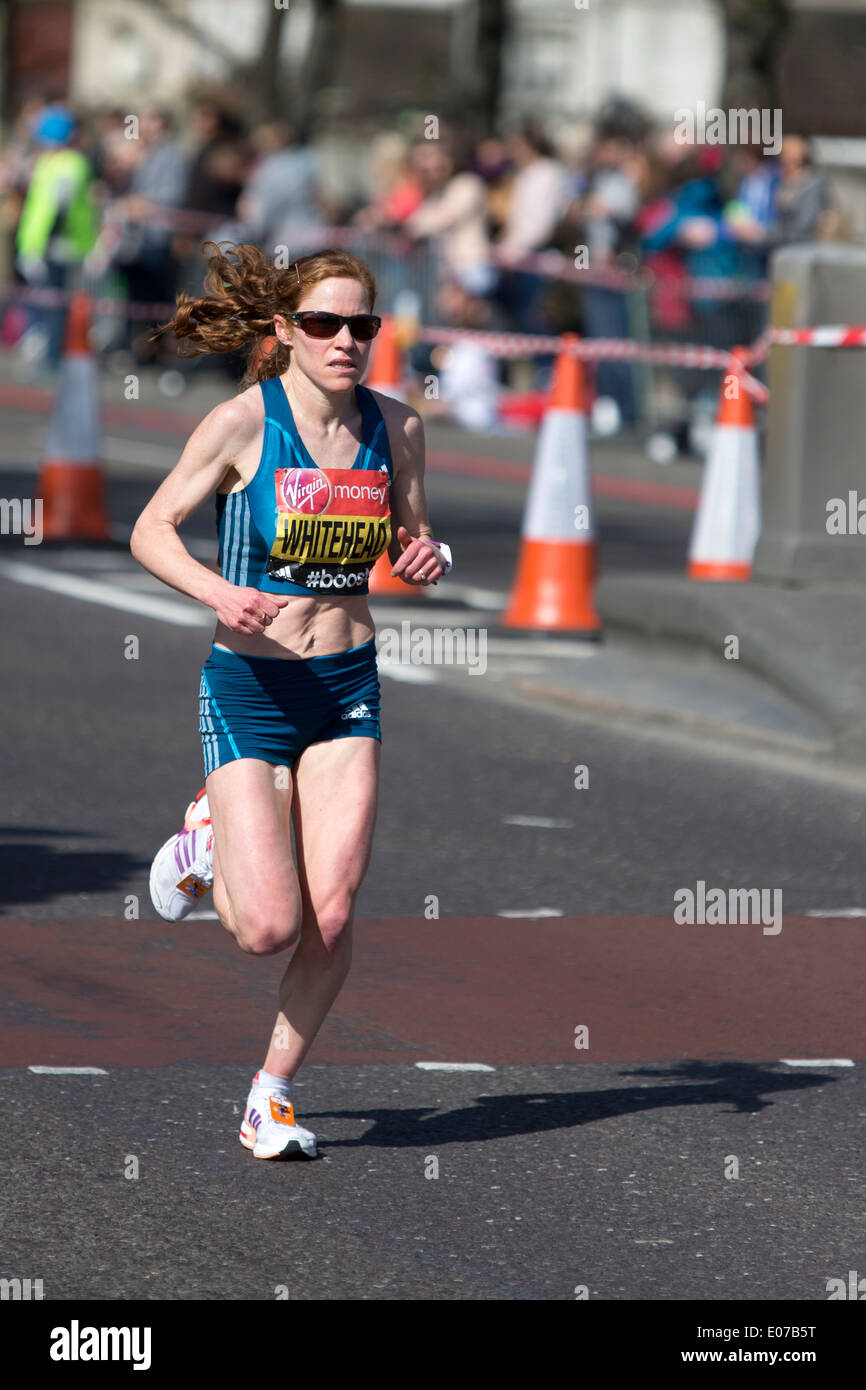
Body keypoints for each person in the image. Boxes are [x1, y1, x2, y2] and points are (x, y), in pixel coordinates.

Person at [130, 242, 453, 1160]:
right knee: (267, 927)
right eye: (323, 323)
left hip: (347, 686)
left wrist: (426, 561)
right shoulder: (242, 423)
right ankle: (204, 841)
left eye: (362, 325)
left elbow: (413, 542)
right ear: (286, 332)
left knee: (336, 914)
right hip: (252, 682)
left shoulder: (399, 427)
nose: (344, 340)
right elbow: (150, 530)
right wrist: (215, 593)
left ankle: (269, 1095)